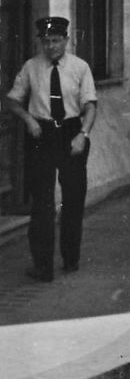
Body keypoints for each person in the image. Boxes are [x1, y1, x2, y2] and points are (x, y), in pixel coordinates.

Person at [3, 17, 97, 281]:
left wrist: (83, 134)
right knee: (42, 202)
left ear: (66, 40)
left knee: (73, 198)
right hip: (41, 134)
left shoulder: (80, 67)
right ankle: (43, 266)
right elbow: (12, 100)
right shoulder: (31, 67)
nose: (51, 46)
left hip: (71, 133)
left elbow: (90, 105)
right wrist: (29, 119)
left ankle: (70, 259)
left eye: (56, 40)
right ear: (40, 42)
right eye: (46, 41)